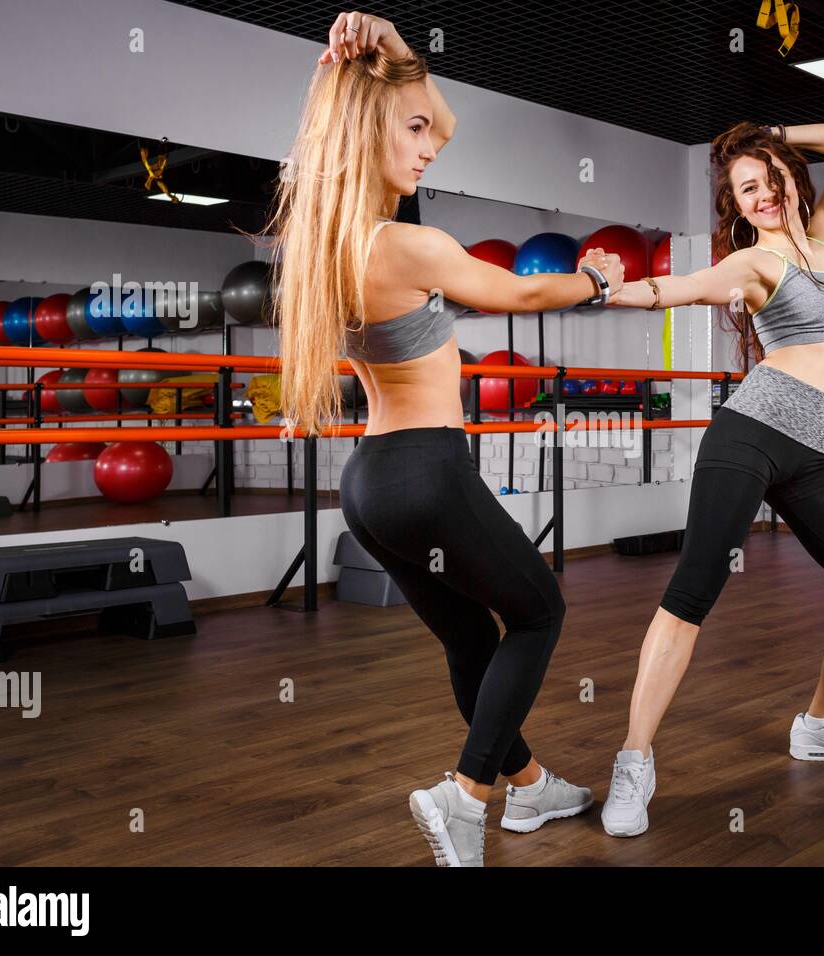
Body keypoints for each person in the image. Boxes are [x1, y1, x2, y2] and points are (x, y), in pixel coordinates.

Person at [270, 11, 625, 866]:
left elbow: (450, 119)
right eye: (412, 129)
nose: (433, 143)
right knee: (540, 612)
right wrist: (596, 282)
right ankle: (466, 797)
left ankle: (530, 787)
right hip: (428, 468)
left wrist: (392, 50)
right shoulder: (406, 244)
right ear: (367, 132)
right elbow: (521, 295)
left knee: (472, 641)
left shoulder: (321, 250)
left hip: (369, 485)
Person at [598, 120, 824, 837]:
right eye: (746, 189)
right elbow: (669, 290)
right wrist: (601, 290)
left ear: (790, 178)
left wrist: (767, 134)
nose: (763, 194)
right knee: (691, 593)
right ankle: (634, 760)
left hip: (810, 451)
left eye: (770, 178)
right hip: (749, 435)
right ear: (736, 207)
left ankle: (822, 724)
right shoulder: (753, 264)